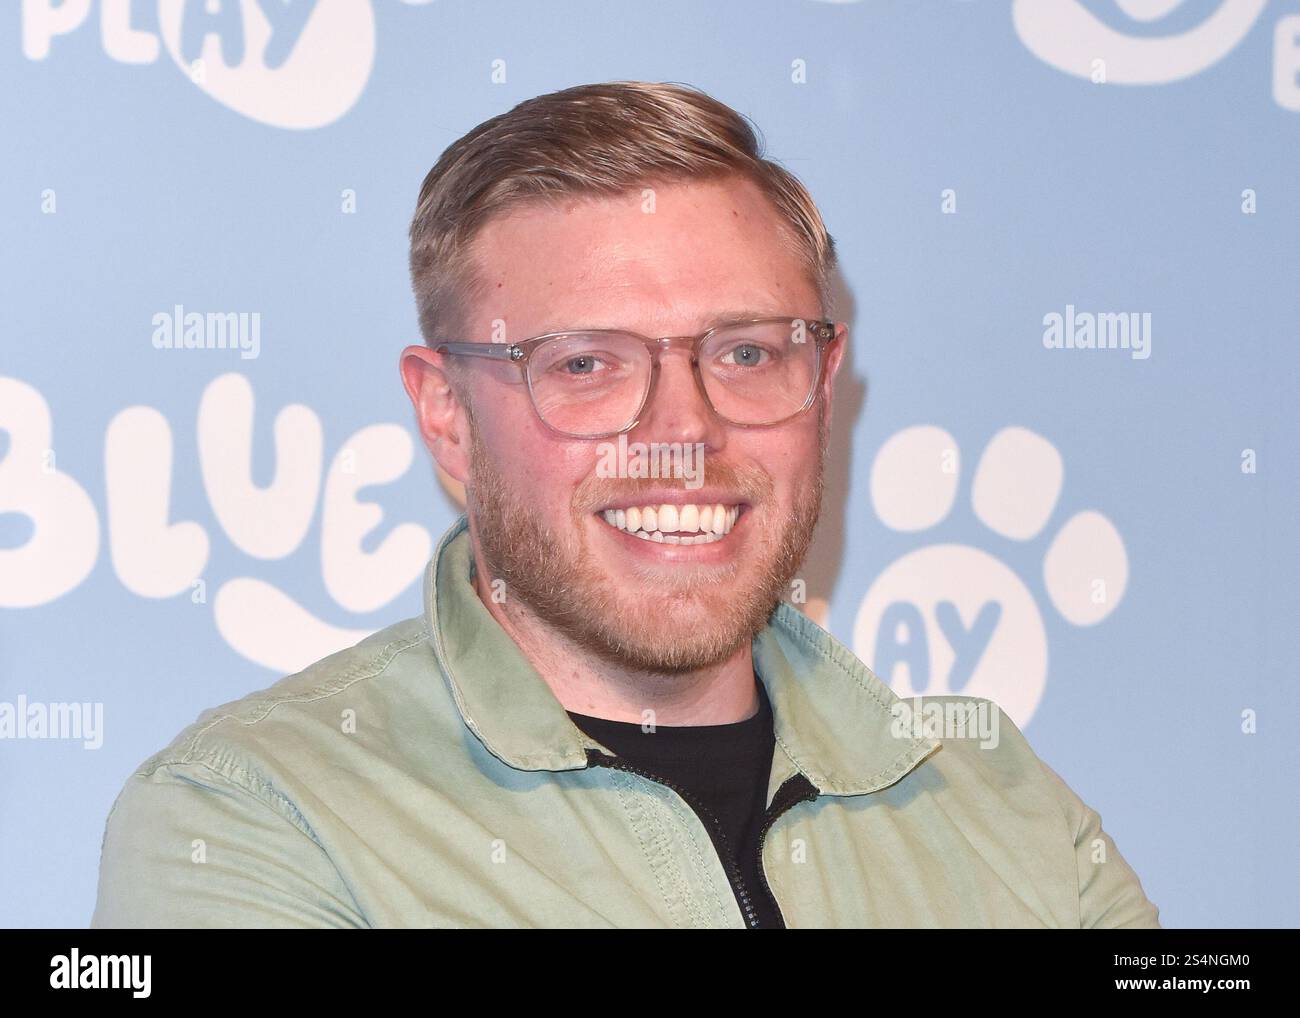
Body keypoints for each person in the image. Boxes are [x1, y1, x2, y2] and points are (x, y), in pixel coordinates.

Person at [92, 80, 1159, 928]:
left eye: (746, 351)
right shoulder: (254, 816)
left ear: (824, 389)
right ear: (448, 415)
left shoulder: (994, 795)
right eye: (588, 364)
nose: (684, 432)